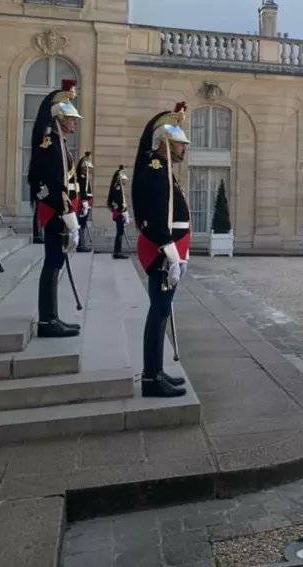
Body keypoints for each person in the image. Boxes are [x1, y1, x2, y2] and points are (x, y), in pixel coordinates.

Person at [132, 103, 191, 398]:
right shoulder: (155, 170)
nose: (185, 149)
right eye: (181, 144)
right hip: (162, 252)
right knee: (158, 312)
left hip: (170, 251)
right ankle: (151, 377)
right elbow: (154, 215)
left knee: (162, 311)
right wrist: (169, 251)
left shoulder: (165, 170)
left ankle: (156, 371)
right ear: (167, 143)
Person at [27, 79, 82, 338]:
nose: (75, 122)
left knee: (56, 262)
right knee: (52, 263)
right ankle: (48, 321)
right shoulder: (50, 142)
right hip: (55, 211)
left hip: (61, 210)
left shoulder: (59, 143)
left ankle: (52, 317)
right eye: (71, 118)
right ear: (59, 118)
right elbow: (51, 180)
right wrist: (66, 213)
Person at [107, 165, 130, 259]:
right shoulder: (118, 187)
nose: (125, 181)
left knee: (120, 232)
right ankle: (117, 252)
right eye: (124, 179)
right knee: (120, 233)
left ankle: (118, 251)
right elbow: (119, 201)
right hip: (120, 213)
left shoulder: (119, 187)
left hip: (120, 212)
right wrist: (124, 212)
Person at [75, 151, 94, 252]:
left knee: (83, 223)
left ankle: (82, 243)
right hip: (83, 202)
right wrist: (84, 201)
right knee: (81, 224)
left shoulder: (85, 178)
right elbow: (82, 190)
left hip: (87, 201)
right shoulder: (81, 178)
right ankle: (80, 244)